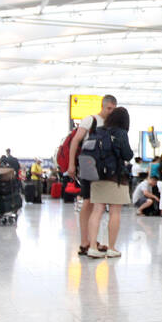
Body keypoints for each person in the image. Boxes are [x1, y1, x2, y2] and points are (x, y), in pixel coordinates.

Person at [66, 94, 118, 255]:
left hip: (103, 169)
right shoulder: (91, 120)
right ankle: (84, 241)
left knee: (96, 204)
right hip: (89, 167)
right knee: (88, 202)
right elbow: (75, 141)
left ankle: (91, 241)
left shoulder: (111, 124)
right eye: (109, 108)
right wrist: (71, 164)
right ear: (102, 106)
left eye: (113, 109)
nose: (111, 112)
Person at [83, 106, 135, 257]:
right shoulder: (121, 132)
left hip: (97, 176)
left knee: (97, 211)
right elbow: (127, 155)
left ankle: (92, 246)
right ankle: (111, 248)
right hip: (115, 178)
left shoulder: (98, 130)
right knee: (115, 212)